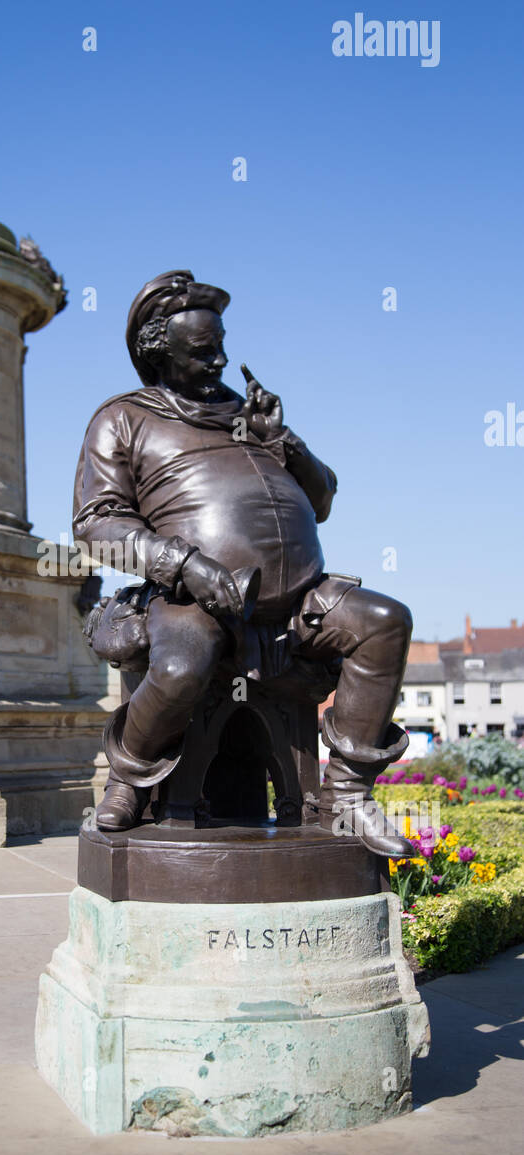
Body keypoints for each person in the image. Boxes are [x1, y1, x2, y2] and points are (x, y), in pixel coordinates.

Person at [73, 270, 413, 857]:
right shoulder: (124, 418)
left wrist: (284, 441)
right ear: (159, 351)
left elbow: (324, 500)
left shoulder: (249, 416)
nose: (221, 362)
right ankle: (129, 776)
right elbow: (96, 527)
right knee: (182, 666)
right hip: (193, 598)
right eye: (204, 352)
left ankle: (347, 795)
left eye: (223, 346)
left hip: (300, 602)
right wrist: (188, 566)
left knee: (385, 620)